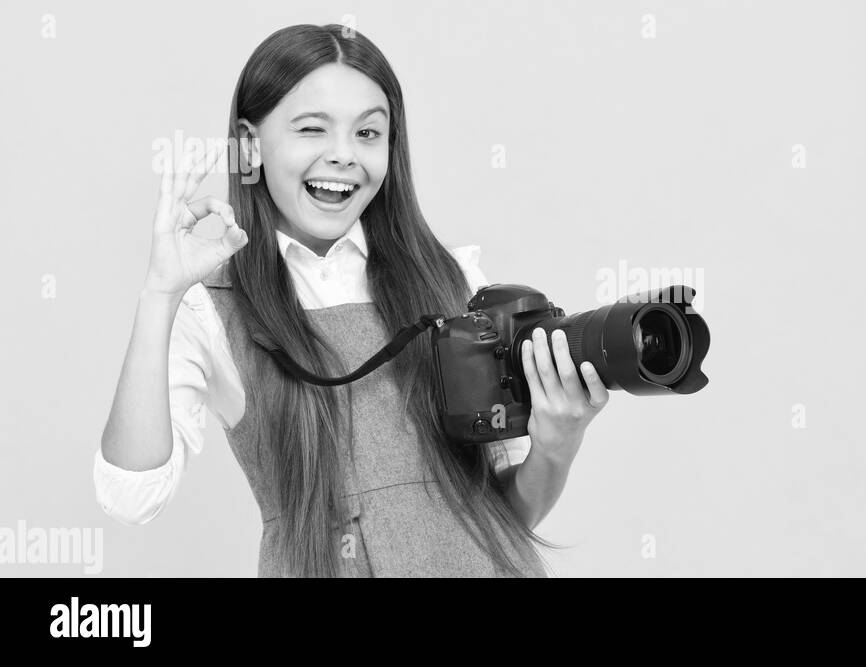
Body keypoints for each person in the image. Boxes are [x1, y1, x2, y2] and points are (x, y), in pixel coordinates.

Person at [96, 24, 610, 577]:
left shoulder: (453, 280)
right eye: (312, 129)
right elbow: (131, 495)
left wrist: (558, 443)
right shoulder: (211, 310)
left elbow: (504, 515)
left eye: (368, 133)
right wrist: (160, 294)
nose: (343, 156)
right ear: (249, 145)